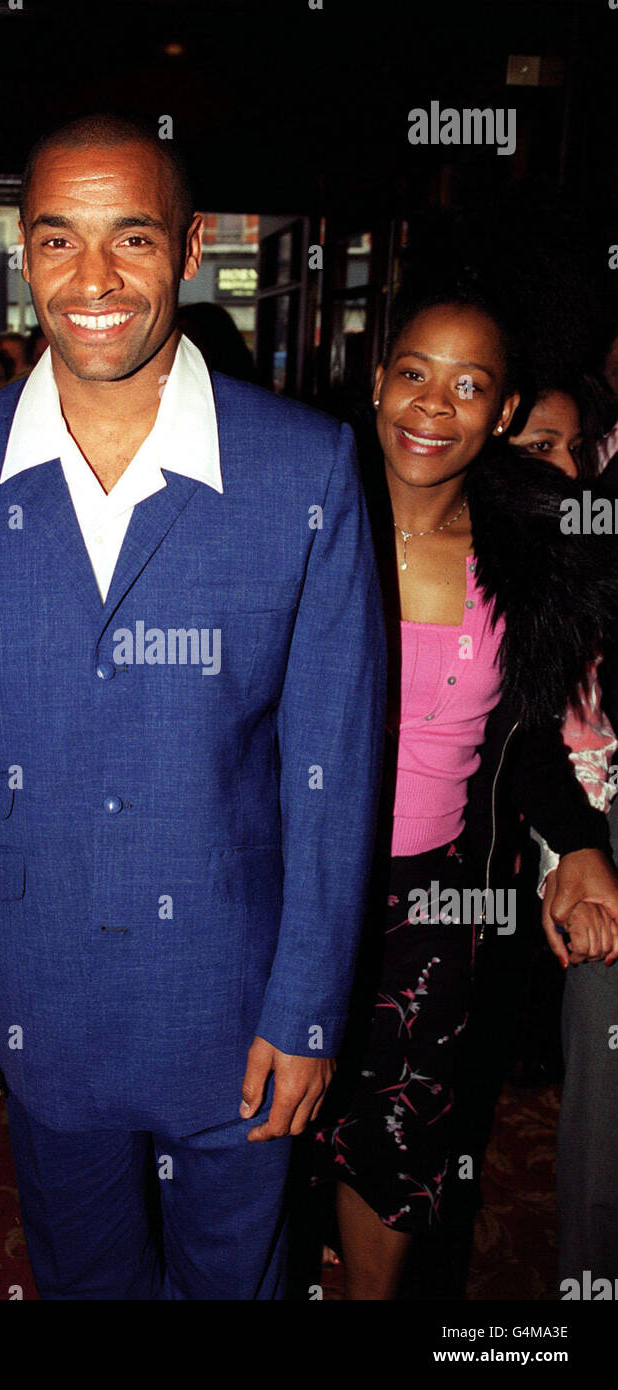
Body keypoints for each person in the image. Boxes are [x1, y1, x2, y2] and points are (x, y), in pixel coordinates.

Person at [0, 113, 387, 1301]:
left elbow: (333, 769)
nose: (92, 280)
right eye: (58, 240)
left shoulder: (304, 469)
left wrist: (309, 1009)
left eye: (132, 238)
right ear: (22, 249)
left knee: (236, 1283)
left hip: (237, 996)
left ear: (193, 245)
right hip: (34, 995)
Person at [314, 278, 618, 1299]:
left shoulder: (522, 560)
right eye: (412, 373)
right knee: (269, 1114)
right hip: (297, 880)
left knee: (397, 1133)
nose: (431, 405)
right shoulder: (307, 521)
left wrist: (577, 842)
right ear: (375, 384)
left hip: (435, 902)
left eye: (466, 385)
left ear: (500, 414)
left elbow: (527, 737)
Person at [509, 379, 618, 1290]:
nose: (565, 469)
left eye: (576, 451)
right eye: (541, 445)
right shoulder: (471, 550)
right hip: (489, 844)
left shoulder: (587, 544)